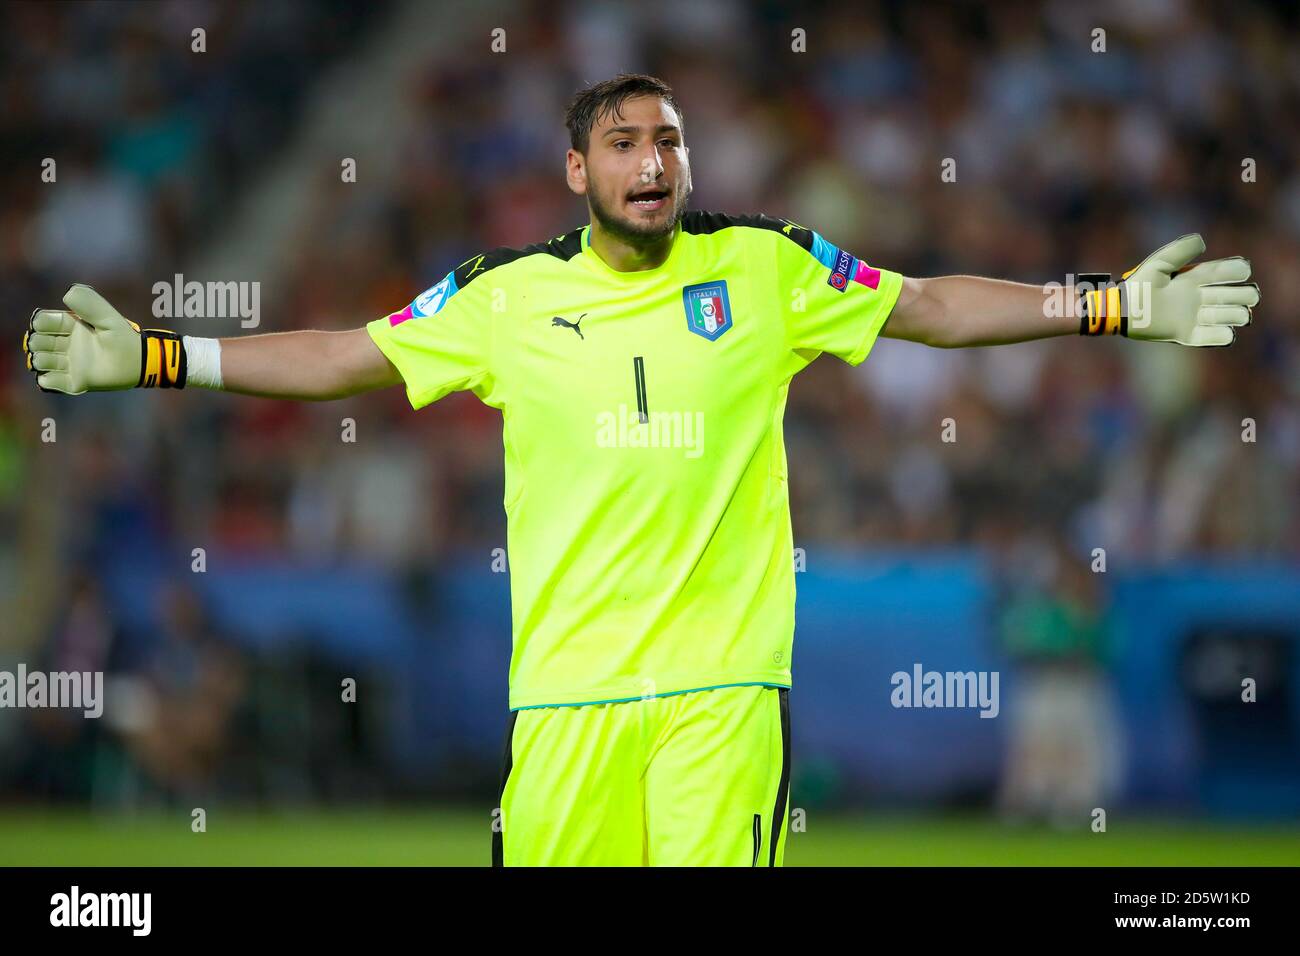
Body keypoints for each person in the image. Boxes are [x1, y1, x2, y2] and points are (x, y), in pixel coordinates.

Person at [20, 73, 1259, 866]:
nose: (655, 160)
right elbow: (346, 354)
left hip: (722, 695)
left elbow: (930, 304)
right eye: (625, 142)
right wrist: (154, 353)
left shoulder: (768, 266)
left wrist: (1110, 305)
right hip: (563, 702)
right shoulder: (503, 297)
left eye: (668, 139)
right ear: (578, 171)